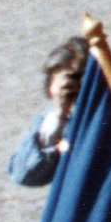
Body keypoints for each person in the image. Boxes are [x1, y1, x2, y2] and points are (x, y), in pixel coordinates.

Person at [9, 36, 89, 186]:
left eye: (83, 76)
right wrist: (60, 114)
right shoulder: (54, 121)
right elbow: (24, 175)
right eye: (74, 78)